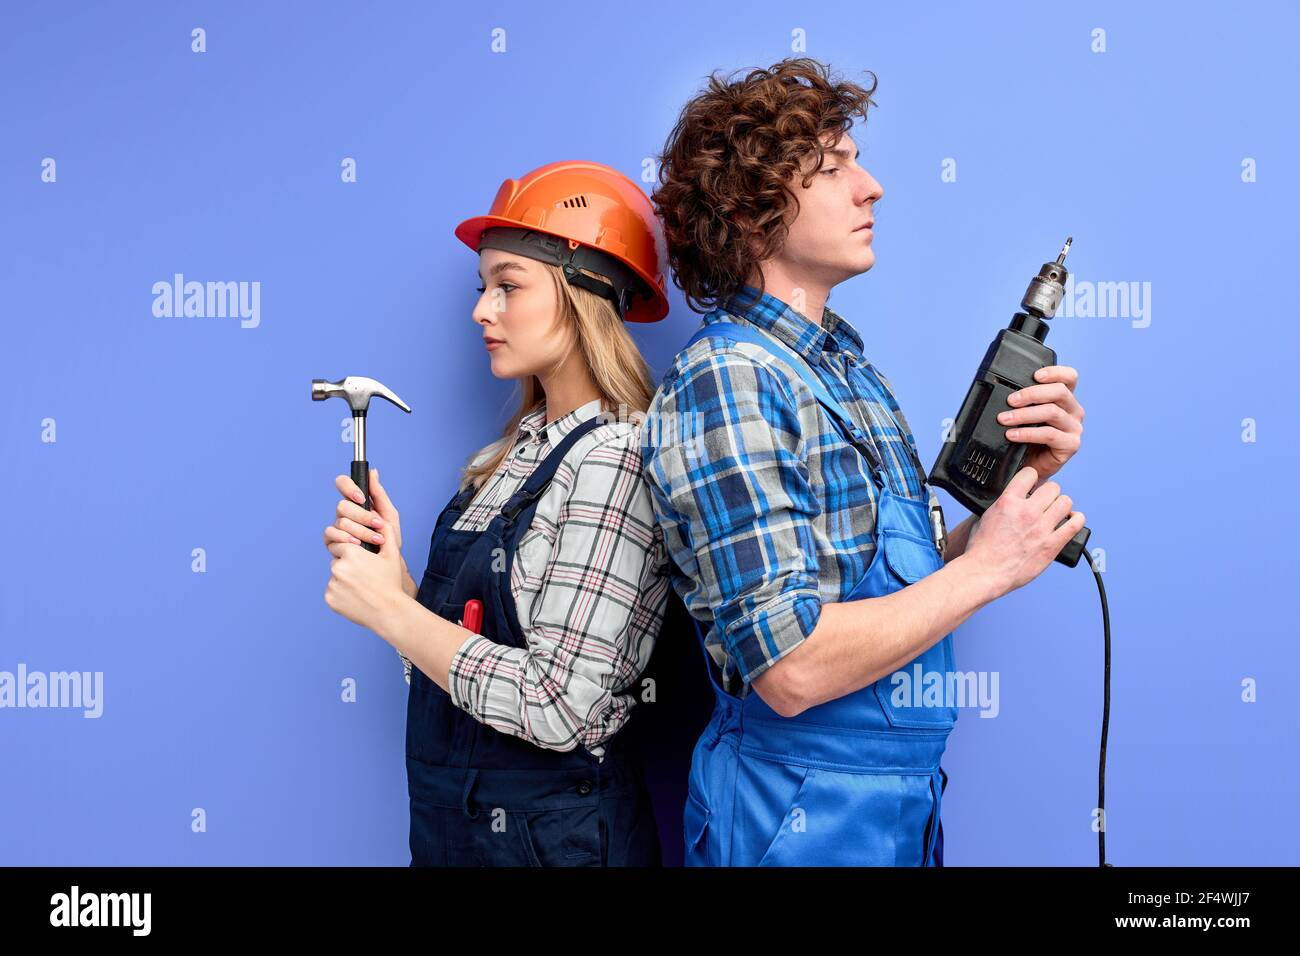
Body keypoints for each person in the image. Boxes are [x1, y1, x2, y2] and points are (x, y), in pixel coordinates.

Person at [641, 58, 1088, 866]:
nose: (871, 186)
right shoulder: (729, 377)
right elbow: (789, 667)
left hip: (904, 804)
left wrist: (1013, 500)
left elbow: (890, 582)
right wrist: (984, 572)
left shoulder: (846, 368)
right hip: (796, 813)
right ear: (751, 209)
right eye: (835, 167)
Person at [321, 160, 684, 866]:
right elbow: (459, 680)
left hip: (557, 845)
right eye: (482, 288)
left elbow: (561, 704)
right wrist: (392, 582)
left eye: (508, 286)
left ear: (587, 293)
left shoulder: (613, 457)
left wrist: (389, 613)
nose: (482, 311)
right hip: (454, 837)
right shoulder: (507, 457)